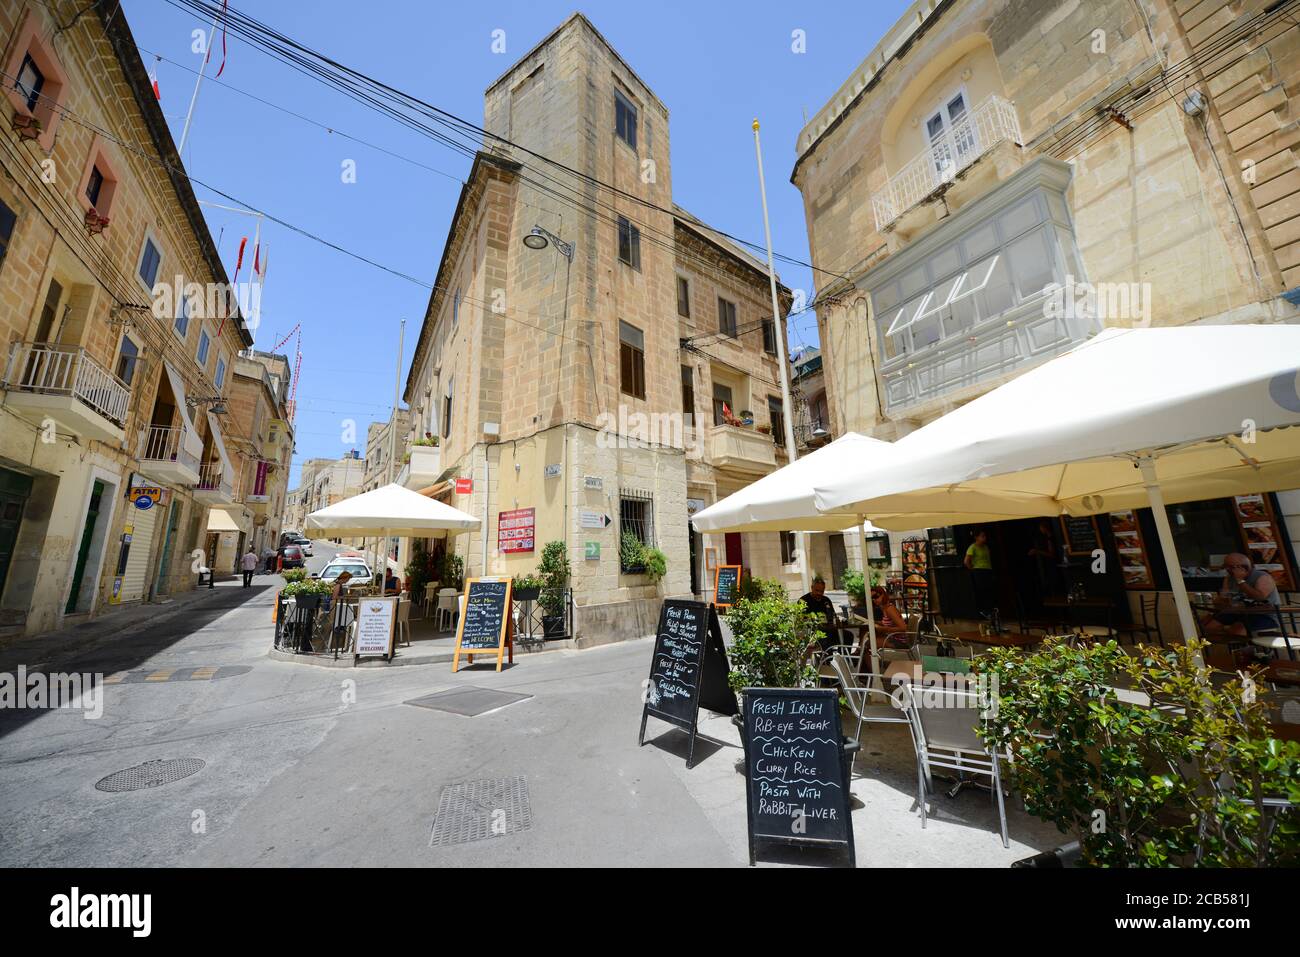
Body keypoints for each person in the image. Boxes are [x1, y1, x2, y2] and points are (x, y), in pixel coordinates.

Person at [1202, 553, 1280, 640]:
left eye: (1231, 567)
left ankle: (1249, 649)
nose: (1227, 569)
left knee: (1237, 631)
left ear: (1243, 567)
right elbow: (1224, 597)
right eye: (1226, 566)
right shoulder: (1229, 578)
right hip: (1238, 612)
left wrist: (1240, 581)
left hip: (1263, 615)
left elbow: (1260, 597)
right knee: (1209, 626)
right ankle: (1235, 643)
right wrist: (1219, 602)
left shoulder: (1262, 576)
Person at [799, 575, 841, 653]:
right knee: (827, 638)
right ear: (812, 588)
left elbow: (833, 615)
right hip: (814, 633)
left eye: (821, 591)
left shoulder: (826, 600)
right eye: (817, 590)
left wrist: (836, 621)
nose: (819, 593)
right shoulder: (803, 601)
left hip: (829, 630)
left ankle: (845, 661)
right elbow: (800, 621)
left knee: (848, 636)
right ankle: (826, 661)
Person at [964, 528, 996, 619]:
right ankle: (984, 611)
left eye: (985, 536)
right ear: (976, 537)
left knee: (990, 590)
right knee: (983, 591)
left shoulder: (986, 547)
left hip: (988, 570)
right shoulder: (972, 547)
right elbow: (966, 561)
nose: (984, 538)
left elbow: (988, 559)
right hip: (978, 570)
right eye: (982, 536)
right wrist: (973, 569)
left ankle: (991, 610)